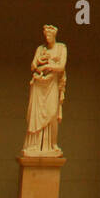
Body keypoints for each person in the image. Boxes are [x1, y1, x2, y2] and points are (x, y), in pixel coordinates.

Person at [22, 24, 67, 155]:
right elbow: (33, 66)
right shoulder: (40, 49)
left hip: (52, 84)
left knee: (52, 113)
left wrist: (48, 66)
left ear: (54, 35)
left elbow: (61, 67)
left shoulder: (61, 48)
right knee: (35, 115)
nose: (47, 37)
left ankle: (51, 145)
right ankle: (33, 145)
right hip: (38, 85)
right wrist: (39, 64)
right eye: (46, 35)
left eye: (50, 35)